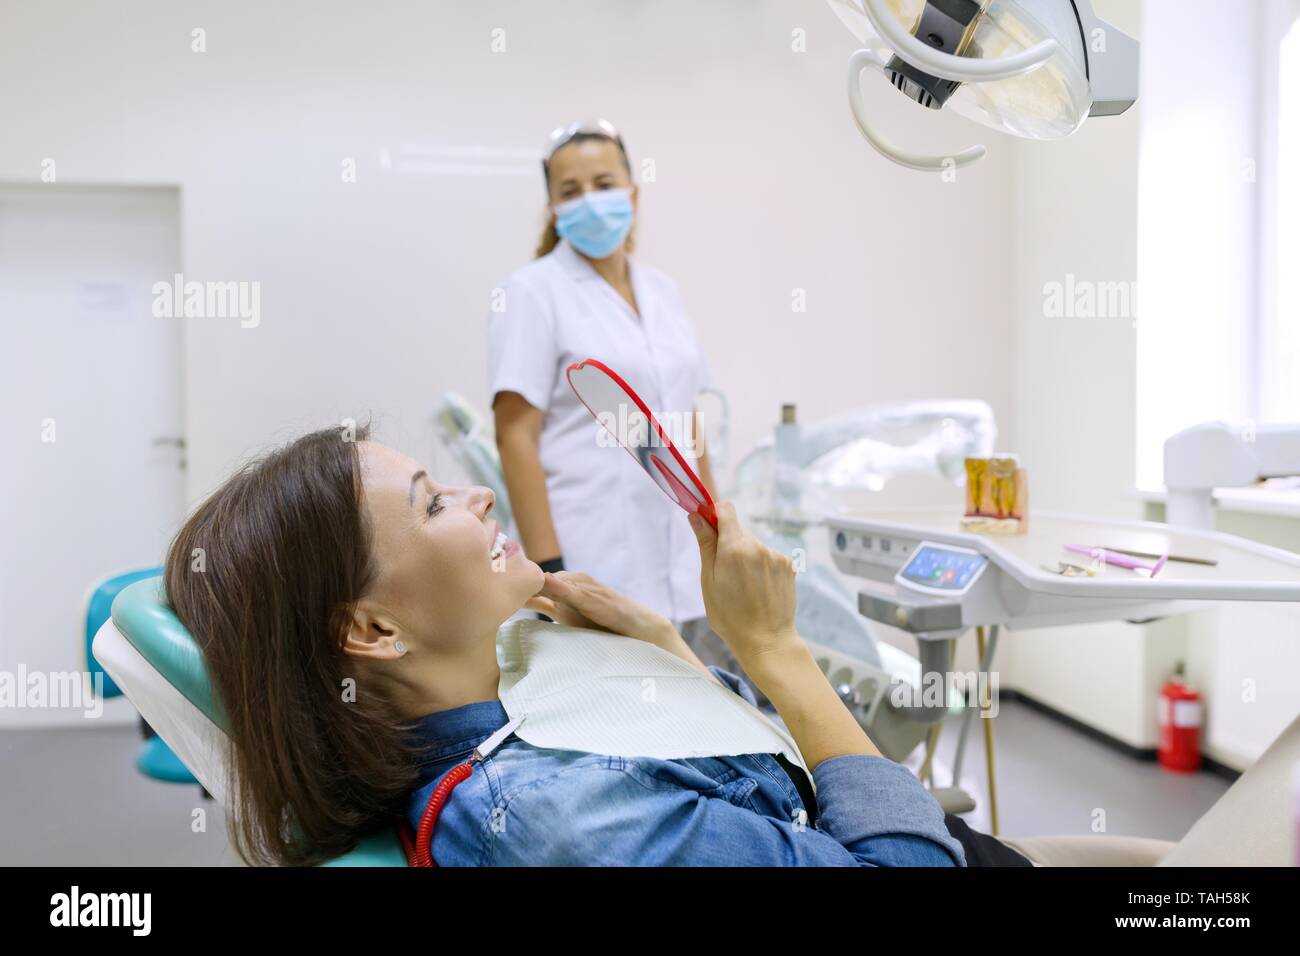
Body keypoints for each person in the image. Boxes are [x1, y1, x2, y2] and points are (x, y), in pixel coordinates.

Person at [163, 425, 1032, 866]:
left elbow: (732, 782)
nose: (477, 498)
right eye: (433, 504)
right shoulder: (551, 816)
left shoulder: (522, 668)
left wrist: (665, 649)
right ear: (373, 631)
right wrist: (775, 650)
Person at [489, 118, 730, 670]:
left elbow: (685, 421)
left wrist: (715, 536)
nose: (590, 201)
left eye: (603, 184)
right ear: (552, 207)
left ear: (633, 193)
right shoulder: (531, 292)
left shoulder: (663, 291)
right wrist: (551, 572)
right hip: (592, 549)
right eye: (570, 192)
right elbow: (514, 436)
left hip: (679, 553)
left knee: (695, 715)